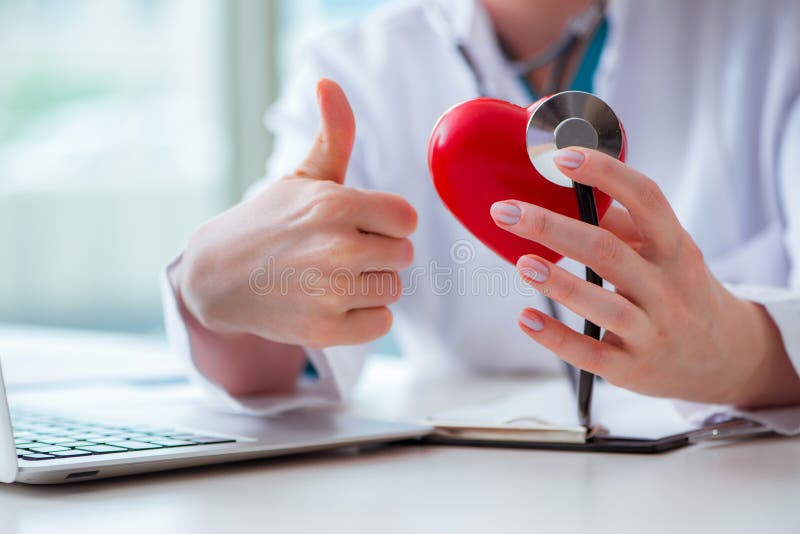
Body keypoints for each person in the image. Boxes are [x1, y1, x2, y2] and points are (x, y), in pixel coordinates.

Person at [162, 0, 800, 431]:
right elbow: (289, 340)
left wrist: (744, 356)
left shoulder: (777, 31)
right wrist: (212, 292)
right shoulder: (355, 68)